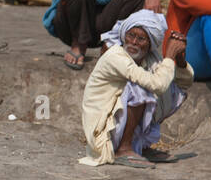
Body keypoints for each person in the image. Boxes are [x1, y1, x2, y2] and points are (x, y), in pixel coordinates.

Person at [79, 9, 190, 167]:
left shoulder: (151, 58)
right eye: (131, 36)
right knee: (141, 87)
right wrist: (170, 56)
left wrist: (178, 59)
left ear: (150, 44)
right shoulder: (116, 56)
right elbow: (157, 85)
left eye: (141, 38)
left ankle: (140, 146)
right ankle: (123, 149)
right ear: (124, 36)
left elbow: (184, 83)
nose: (134, 43)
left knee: (172, 90)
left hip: (118, 124)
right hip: (103, 130)